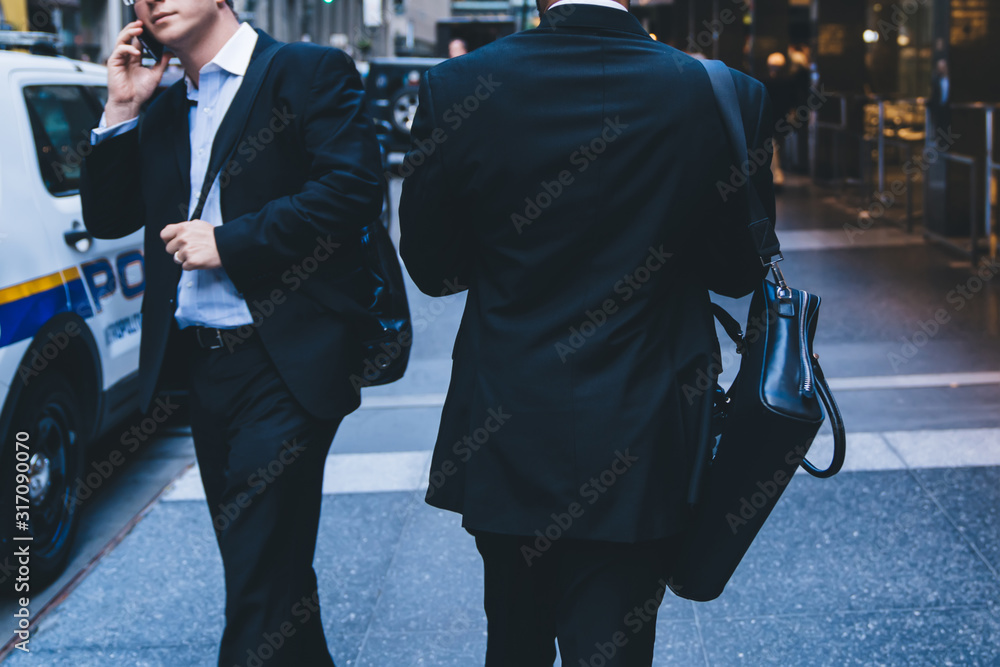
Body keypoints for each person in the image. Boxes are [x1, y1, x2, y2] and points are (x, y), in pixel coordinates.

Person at [397, 0, 774, 664]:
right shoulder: (719, 93)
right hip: (648, 425)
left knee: (513, 640)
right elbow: (738, 272)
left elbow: (432, 267)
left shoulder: (458, 87)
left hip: (508, 425)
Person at [79, 0, 384, 664]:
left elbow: (354, 188)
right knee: (272, 572)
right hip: (204, 366)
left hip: (286, 362)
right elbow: (107, 216)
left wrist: (231, 241)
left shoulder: (306, 71)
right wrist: (122, 111)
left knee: (256, 577)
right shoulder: (161, 101)